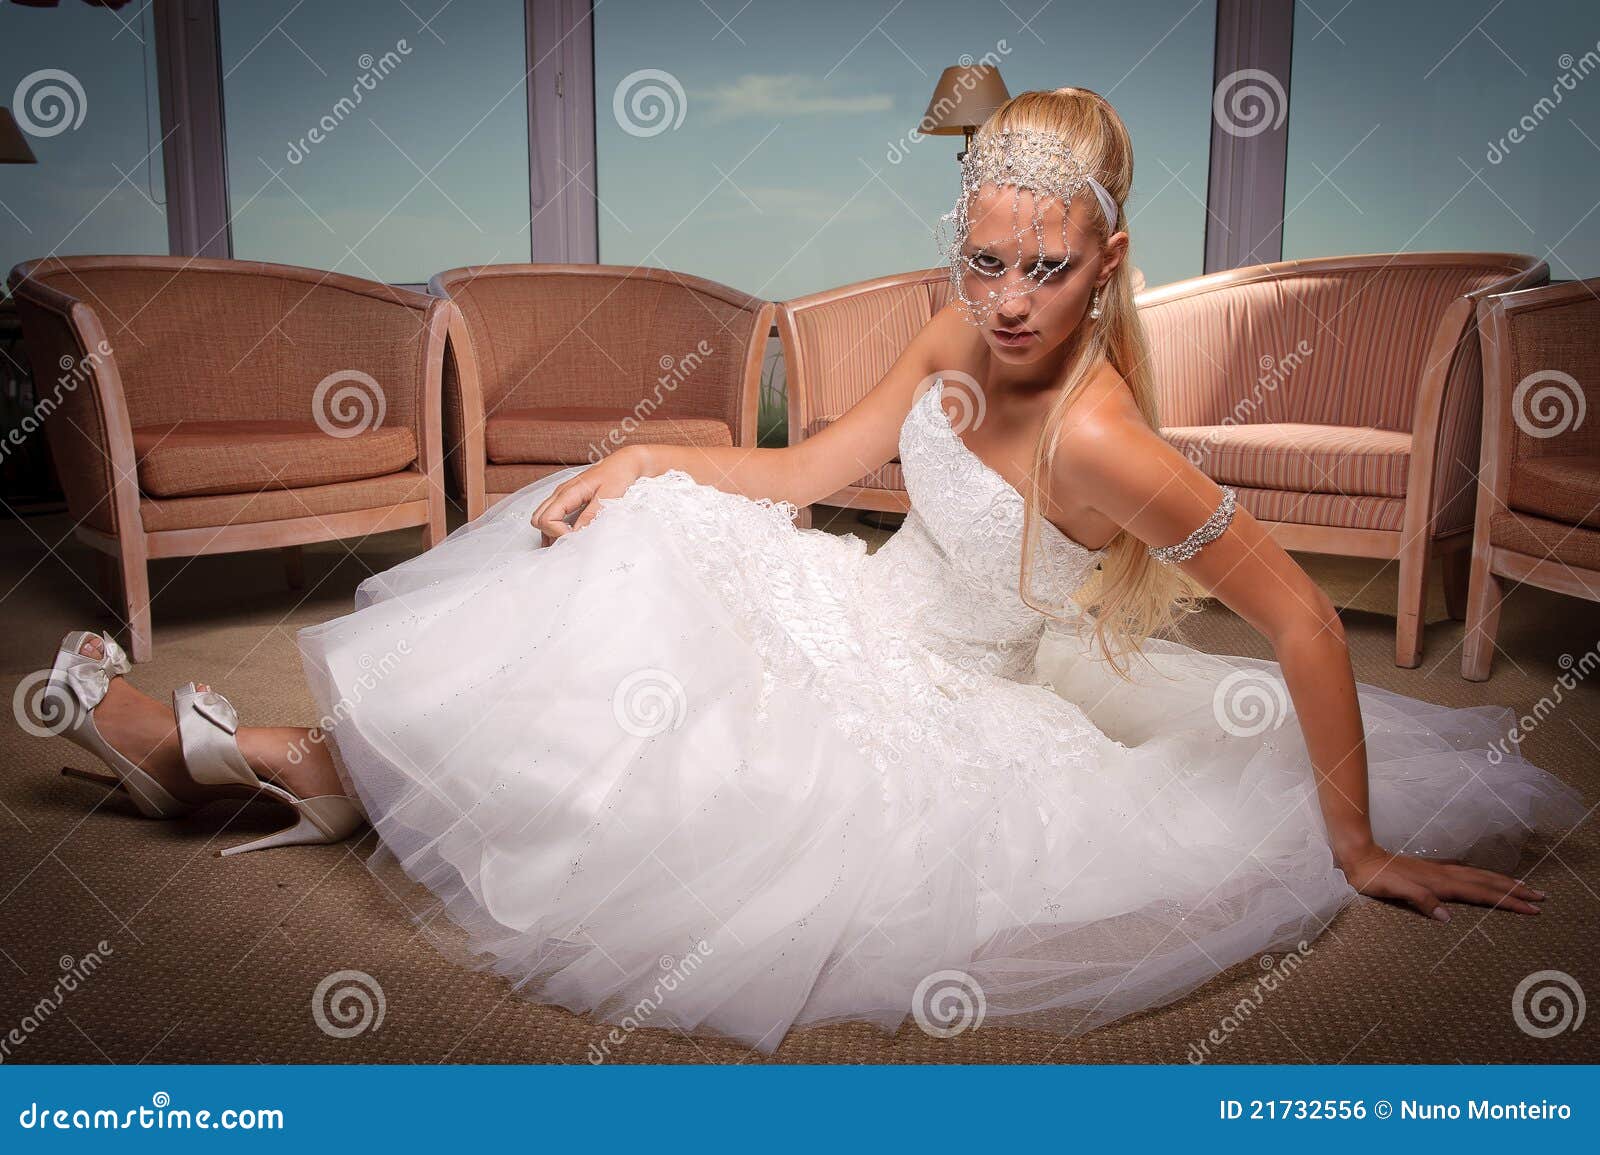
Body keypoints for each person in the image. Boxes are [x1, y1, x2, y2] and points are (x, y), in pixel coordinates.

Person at [36, 88, 1581, 1053]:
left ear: (1108, 263)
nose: (1008, 300)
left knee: (697, 771)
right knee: (632, 532)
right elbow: (806, 475)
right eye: (985, 259)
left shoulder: (1108, 442)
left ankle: (282, 762)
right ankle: (316, 766)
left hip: (944, 701)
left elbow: (1303, 613)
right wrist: (652, 455)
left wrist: (1357, 844)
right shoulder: (951, 332)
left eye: (1046, 268)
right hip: (852, 601)